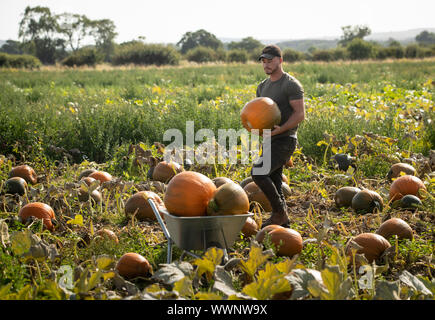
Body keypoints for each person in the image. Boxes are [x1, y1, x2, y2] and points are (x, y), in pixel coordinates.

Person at [251, 44, 305, 227]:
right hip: (269, 140)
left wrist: (280, 130)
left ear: (280, 60)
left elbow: (300, 114)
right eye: (263, 61)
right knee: (274, 180)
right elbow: (260, 114)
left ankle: (279, 214)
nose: (266, 64)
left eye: (270, 60)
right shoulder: (262, 87)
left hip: (285, 140)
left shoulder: (291, 84)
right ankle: (284, 223)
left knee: (258, 172)